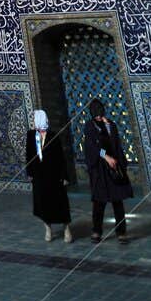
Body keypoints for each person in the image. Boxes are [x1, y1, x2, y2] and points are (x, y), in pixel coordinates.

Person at [84, 97, 133, 242]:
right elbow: (92, 147)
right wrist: (106, 157)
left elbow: (115, 143)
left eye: (100, 113)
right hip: (100, 169)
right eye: (96, 114)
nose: (99, 116)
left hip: (113, 168)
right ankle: (96, 231)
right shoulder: (90, 126)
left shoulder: (110, 124)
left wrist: (108, 126)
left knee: (118, 202)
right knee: (99, 202)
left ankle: (121, 232)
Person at [25, 108, 73, 243]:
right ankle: (48, 229)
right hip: (39, 176)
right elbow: (28, 155)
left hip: (54, 176)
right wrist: (29, 172)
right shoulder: (31, 135)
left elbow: (60, 157)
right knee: (43, 204)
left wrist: (64, 176)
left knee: (60, 203)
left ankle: (66, 228)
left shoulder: (53, 136)